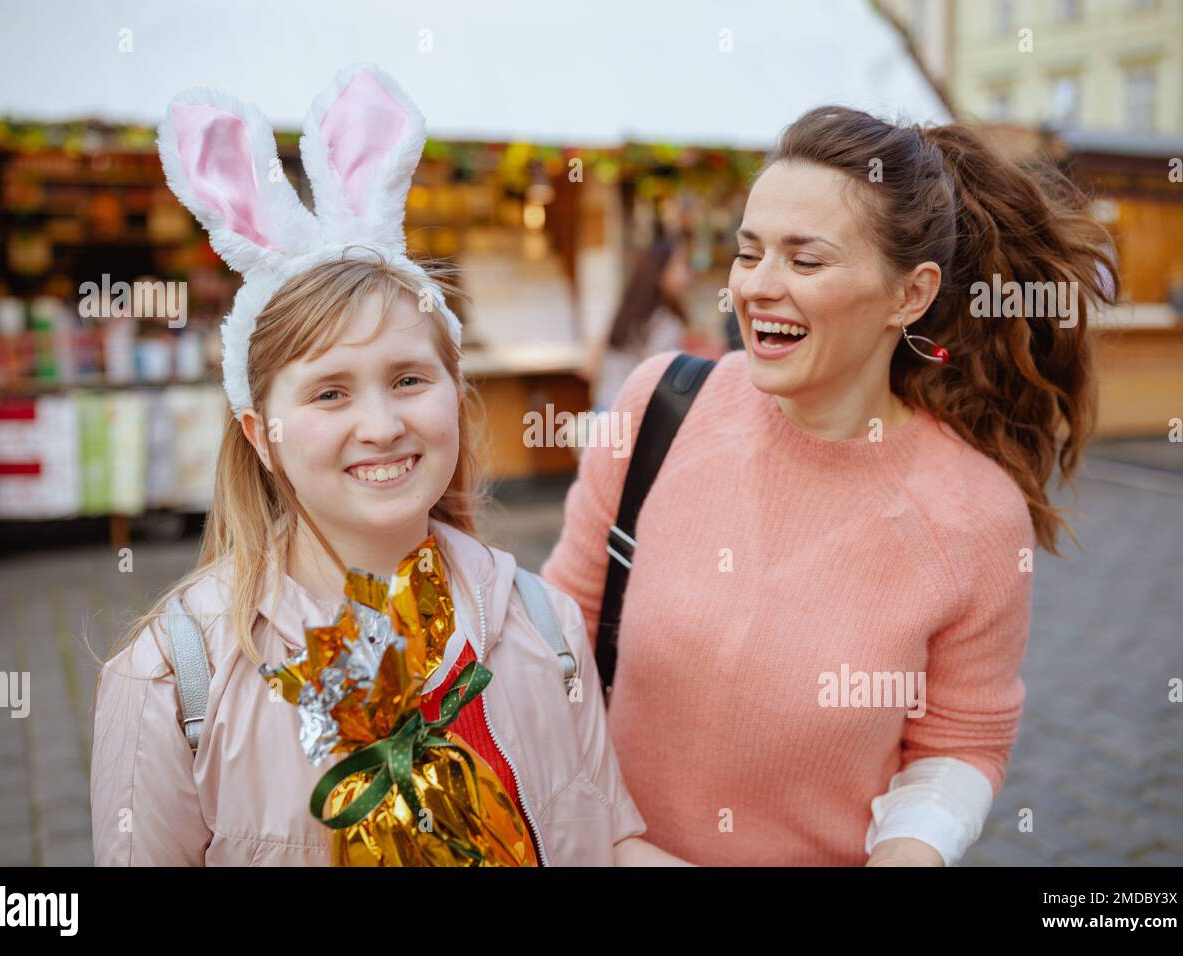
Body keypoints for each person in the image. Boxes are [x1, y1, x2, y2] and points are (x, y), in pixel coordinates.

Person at [90, 64, 684, 867]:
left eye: (409, 379)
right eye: (330, 394)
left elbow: (607, 845)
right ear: (260, 433)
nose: (381, 424)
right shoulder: (175, 681)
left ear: (455, 392)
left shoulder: (543, 627)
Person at [542, 106, 1119, 866]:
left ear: (909, 295)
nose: (758, 286)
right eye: (749, 254)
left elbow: (960, 743)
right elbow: (555, 641)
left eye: (804, 261)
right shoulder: (662, 405)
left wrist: (909, 853)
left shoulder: (975, 515)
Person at [589, 237, 691, 413]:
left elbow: (593, 367)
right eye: (679, 264)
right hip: (631, 419)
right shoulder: (665, 323)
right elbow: (665, 383)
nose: (687, 273)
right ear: (659, 272)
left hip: (603, 410)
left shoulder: (628, 312)